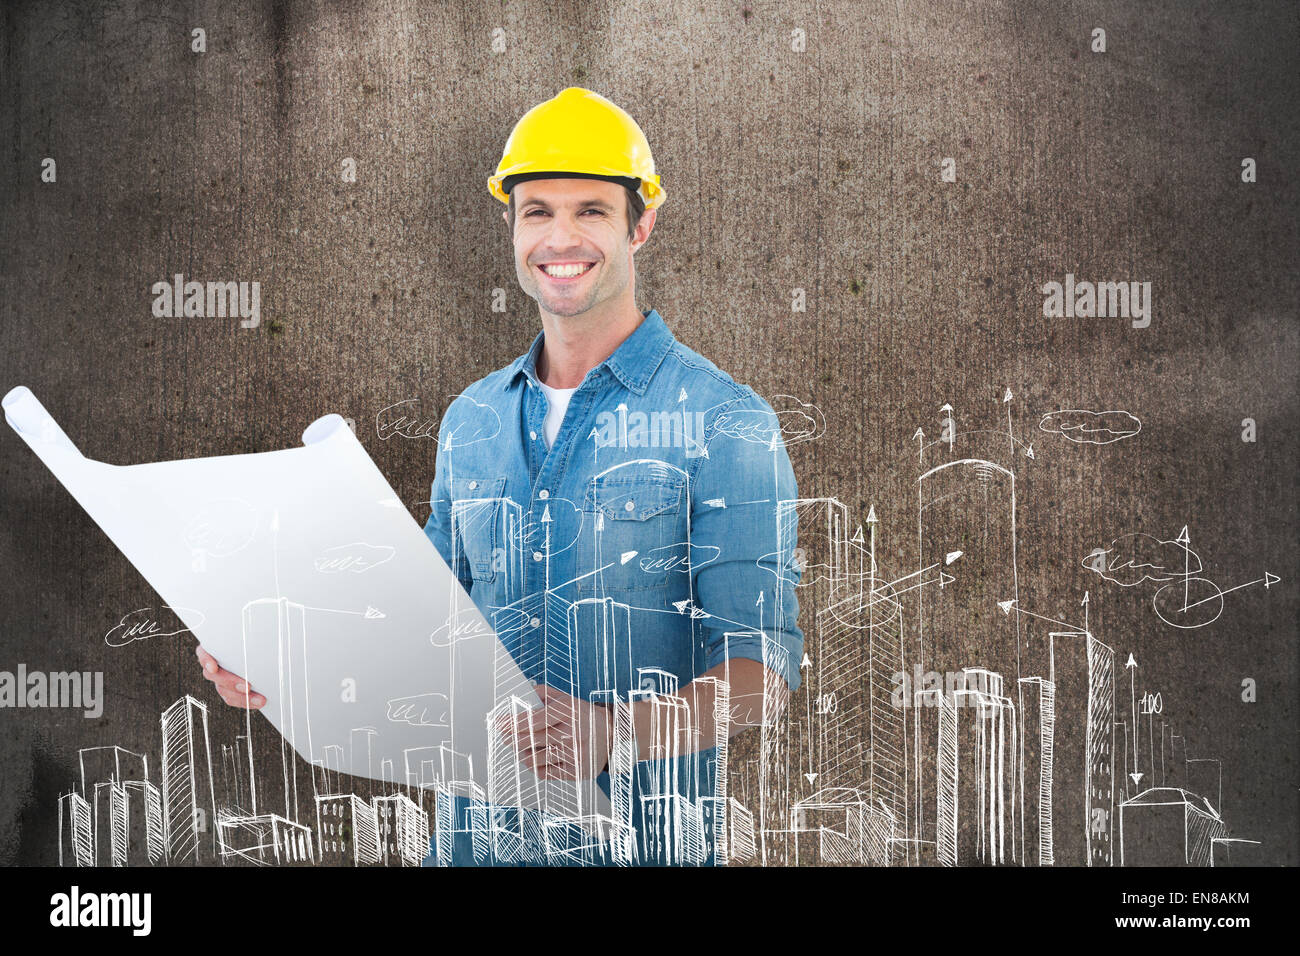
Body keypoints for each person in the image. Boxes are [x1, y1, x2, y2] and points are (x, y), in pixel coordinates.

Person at [196, 87, 804, 866]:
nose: (561, 236)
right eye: (537, 210)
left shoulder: (725, 420)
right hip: (473, 846)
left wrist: (614, 731)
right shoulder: (472, 420)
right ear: (511, 227)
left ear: (641, 225)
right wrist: (273, 648)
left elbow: (765, 672)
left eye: (591, 210)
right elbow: (413, 616)